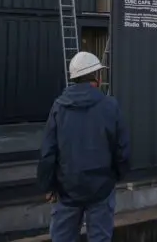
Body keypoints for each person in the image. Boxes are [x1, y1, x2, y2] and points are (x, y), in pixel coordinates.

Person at [38, 51, 131, 242]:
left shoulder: (59, 107)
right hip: (101, 189)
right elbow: (122, 149)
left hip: (67, 190)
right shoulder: (110, 106)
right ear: (96, 77)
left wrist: (48, 186)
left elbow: (48, 151)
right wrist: (118, 175)